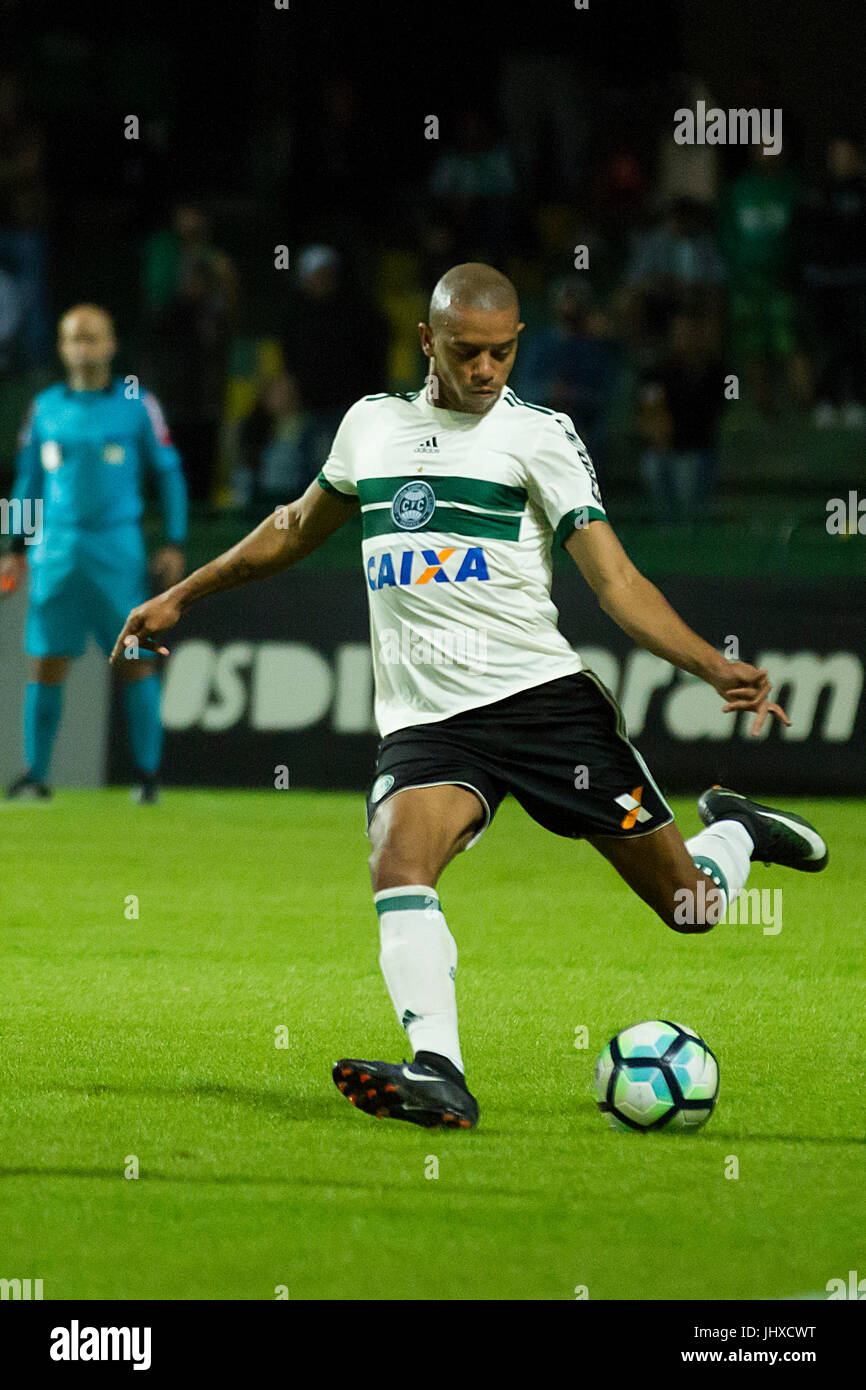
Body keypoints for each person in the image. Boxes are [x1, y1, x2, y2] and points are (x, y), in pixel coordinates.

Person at [109, 264, 828, 1130]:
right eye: (466, 352)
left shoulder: (540, 437)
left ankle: (737, 830)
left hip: (541, 705)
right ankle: (439, 1071)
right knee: (397, 862)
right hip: (427, 723)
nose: (486, 370)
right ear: (427, 342)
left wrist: (710, 665)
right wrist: (183, 594)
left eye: (501, 352)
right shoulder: (372, 427)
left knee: (692, 909)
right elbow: (294, 527)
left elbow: (615, 580)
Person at [0, 304, 187, 803]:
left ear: (110, 345)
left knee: (135, 660)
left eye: (92, 338)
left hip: (117, 553)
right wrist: (14, 547)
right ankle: (34, 777)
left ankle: (147, 778)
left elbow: (167, 469)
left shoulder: (136, 402)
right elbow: (26, 482)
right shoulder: (43, 407)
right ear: (61, 348)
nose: (83, 348)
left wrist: (175, 539)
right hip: (55, 553)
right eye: (73, 339)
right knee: (44, 662)